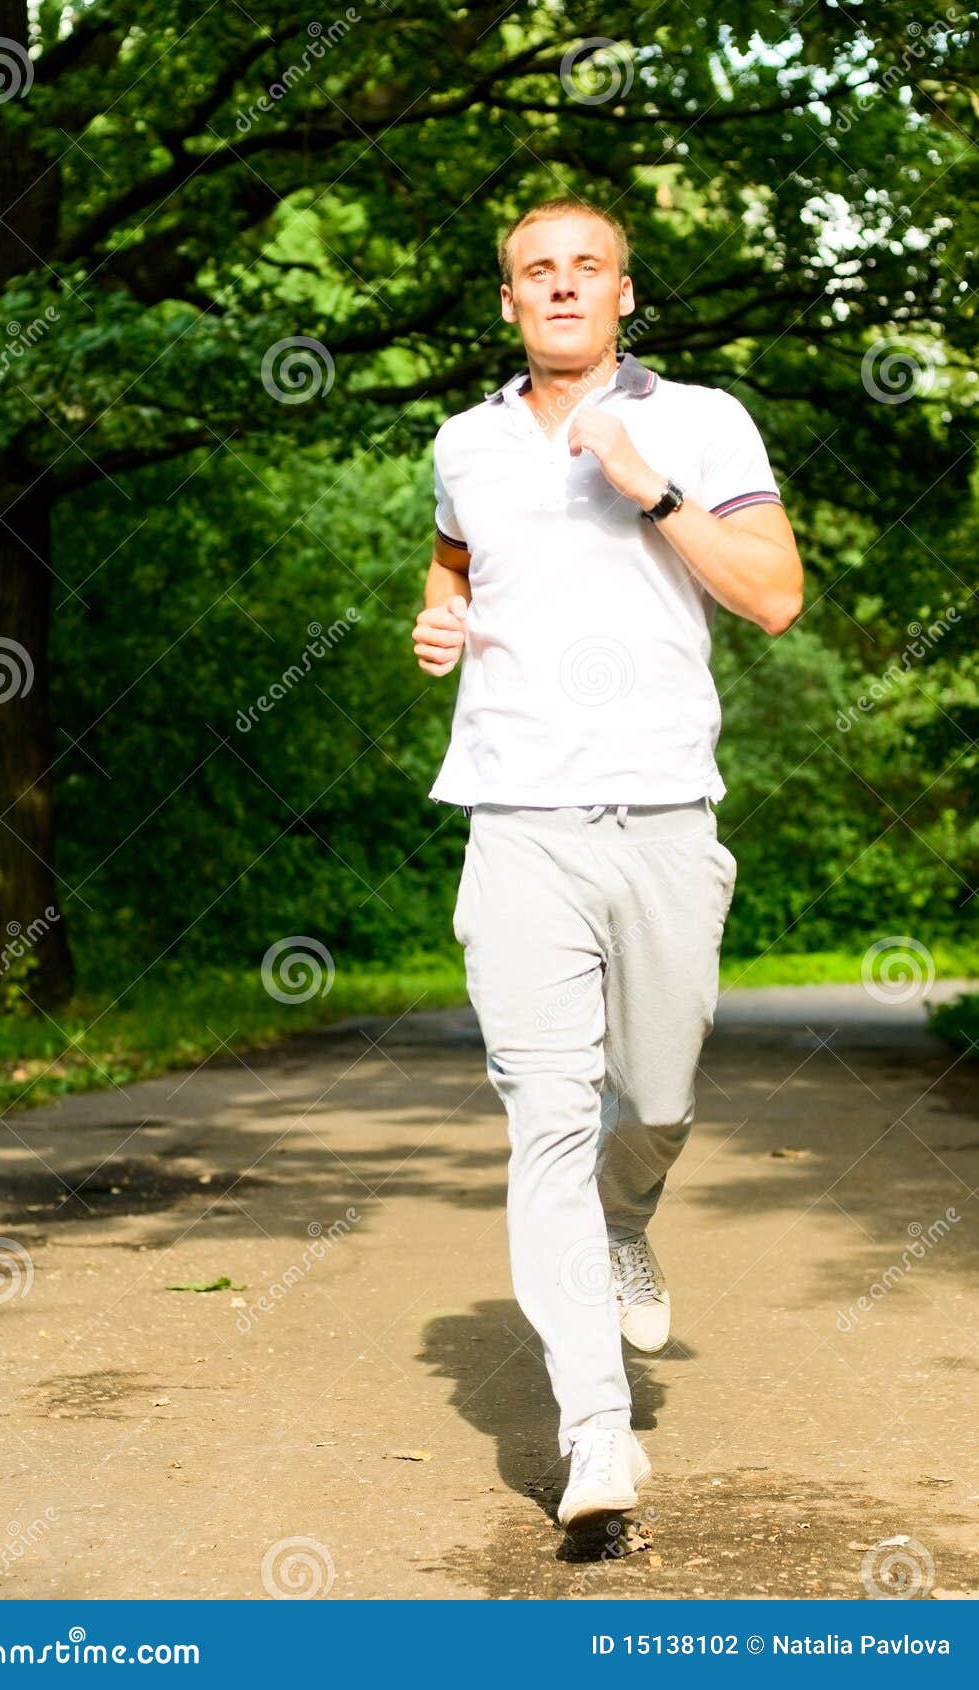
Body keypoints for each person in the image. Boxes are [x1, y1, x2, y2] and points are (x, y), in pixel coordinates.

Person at [411, 197, 802, 1532]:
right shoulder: (463, 440)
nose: (563, 287)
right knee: (547, 1115)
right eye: (537, 271)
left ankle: (627, 1218)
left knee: (659, 1094)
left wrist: (656, 492)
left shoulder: (703, 420)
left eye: (588, 268)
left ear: (625, 295)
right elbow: (457, 550)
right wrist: (440, 611)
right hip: (516, 818)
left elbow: (774, 593)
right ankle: (594, 1435)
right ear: (509, 299)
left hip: (667, 813)